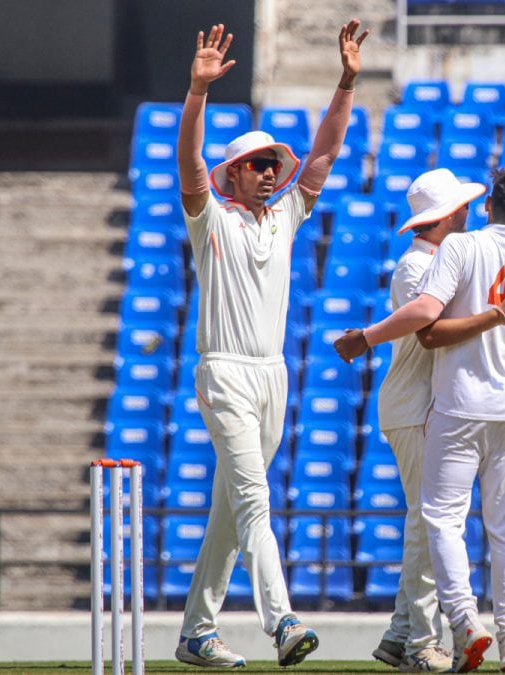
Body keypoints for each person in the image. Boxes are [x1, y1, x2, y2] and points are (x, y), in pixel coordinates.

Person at [172, 20, 368, 668]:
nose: (268, 172)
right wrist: (198, 92)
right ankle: (281, 620)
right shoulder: (211, 218)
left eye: (271, 165)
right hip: (225, 373)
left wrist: (346, 81)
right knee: (255, 498)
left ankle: (197, 632)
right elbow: (189, 165)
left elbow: (324, 155)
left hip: (271, 375)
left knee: (233, 511)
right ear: (233, 174)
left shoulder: (285, 215)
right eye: (256, 165)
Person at [334, 168, 505, 674]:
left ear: (488, 208)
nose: (466, 212)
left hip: (452, 402)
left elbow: (432, 326)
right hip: (454, 403)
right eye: (458, 207)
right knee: (480, 526)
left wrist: (365, 337)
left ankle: (430, 630)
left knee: (435, 522)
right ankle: (450, 637)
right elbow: (436, 324)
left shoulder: (457, 250)